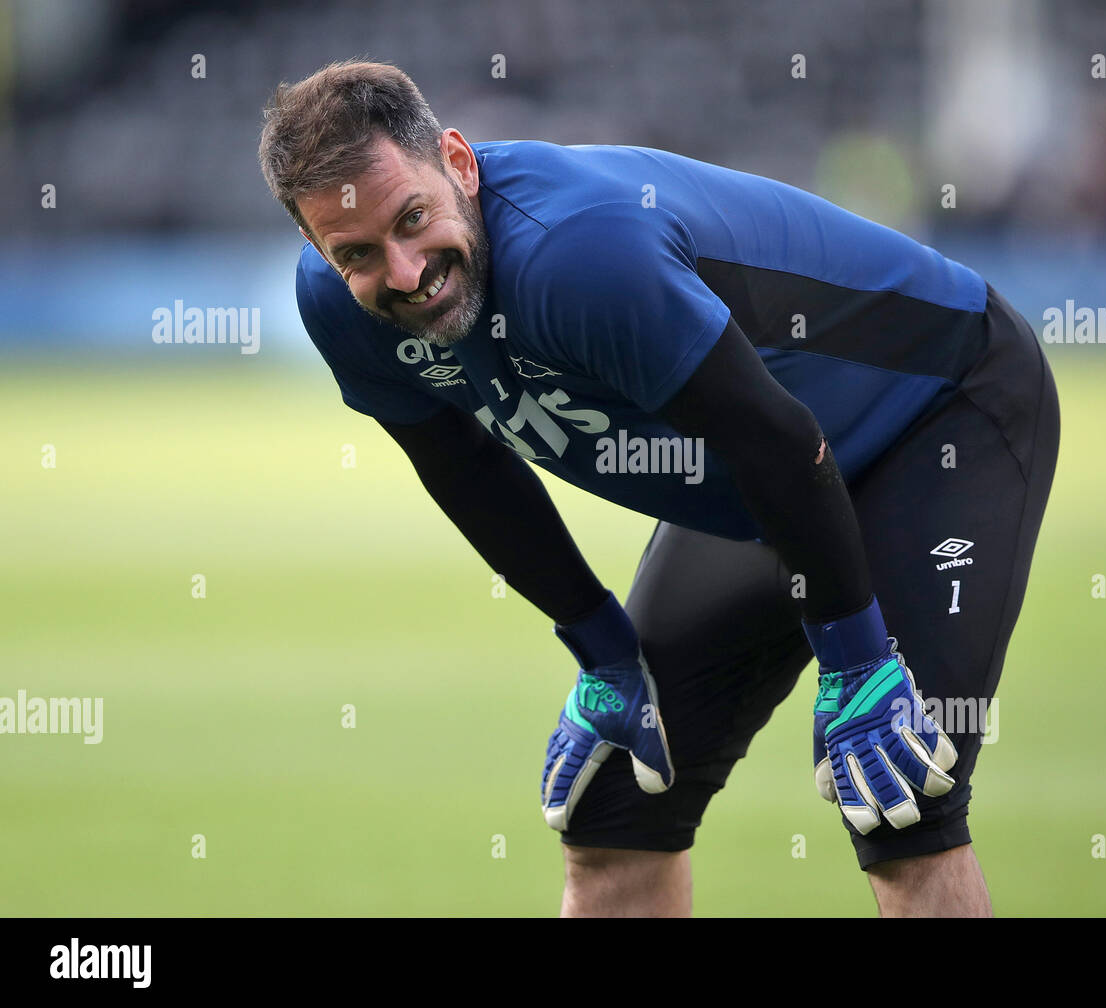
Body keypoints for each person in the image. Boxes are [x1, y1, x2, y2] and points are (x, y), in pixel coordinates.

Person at [259, 60, 1059, 917]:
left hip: (936, 410)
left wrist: (859, 660)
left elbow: (780, 443)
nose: (409, 271)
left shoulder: (582, 255)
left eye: (413, 219)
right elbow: (464, 468)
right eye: (358, 254)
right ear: (315, 250)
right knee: (615, 815)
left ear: (458, 162)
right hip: (761, 471)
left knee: (902, 801)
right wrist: (602, 647)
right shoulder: (341, 309)